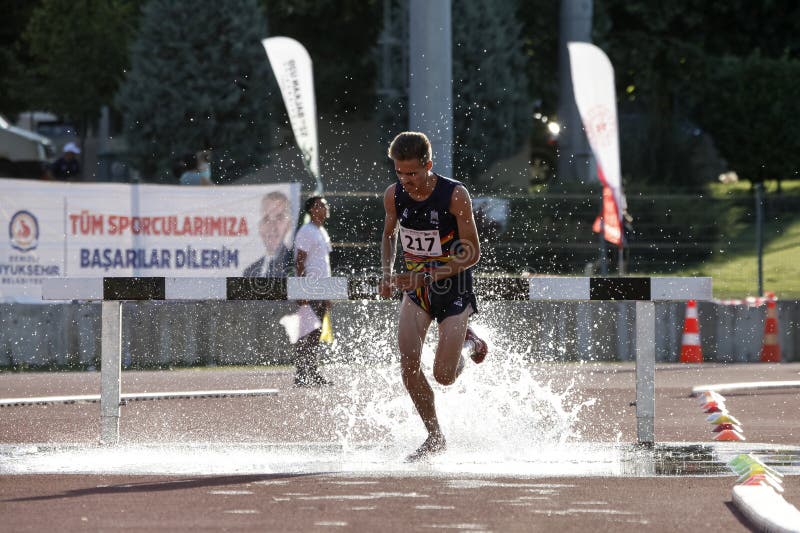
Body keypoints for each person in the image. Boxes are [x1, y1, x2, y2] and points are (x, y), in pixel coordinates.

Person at [379, 131, 488, 462]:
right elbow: (388, 235)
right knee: (408, 367)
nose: (406, 180)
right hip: (416, 292)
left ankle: (472, 343)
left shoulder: (454, 195)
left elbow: (472, 252)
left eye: (412, 172)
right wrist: (386, 272)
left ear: (428, 164)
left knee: (444, 376)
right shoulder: (393, 195)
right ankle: (435, 436)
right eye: (399, 172)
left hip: (452, 289)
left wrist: (428, 274)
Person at [292, 196, 334, 387]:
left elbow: (323, 263)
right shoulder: (307, 231)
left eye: (325, 205)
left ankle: (312, 371)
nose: (325, 208)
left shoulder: (322, 231)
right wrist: (302, 290)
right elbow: (300, 260)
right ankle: (301, 374)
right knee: (306, 332)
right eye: (321, 205)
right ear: (312, 210)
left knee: (316, 334)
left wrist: (328, 293)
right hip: (310, 288)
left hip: (321, 289)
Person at [243, 191, 293, 277]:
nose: (272, 227)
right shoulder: (250, 272)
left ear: (288, 225)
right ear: (259, 226)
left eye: (279, 218)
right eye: (266, 219)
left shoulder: (295, 266)